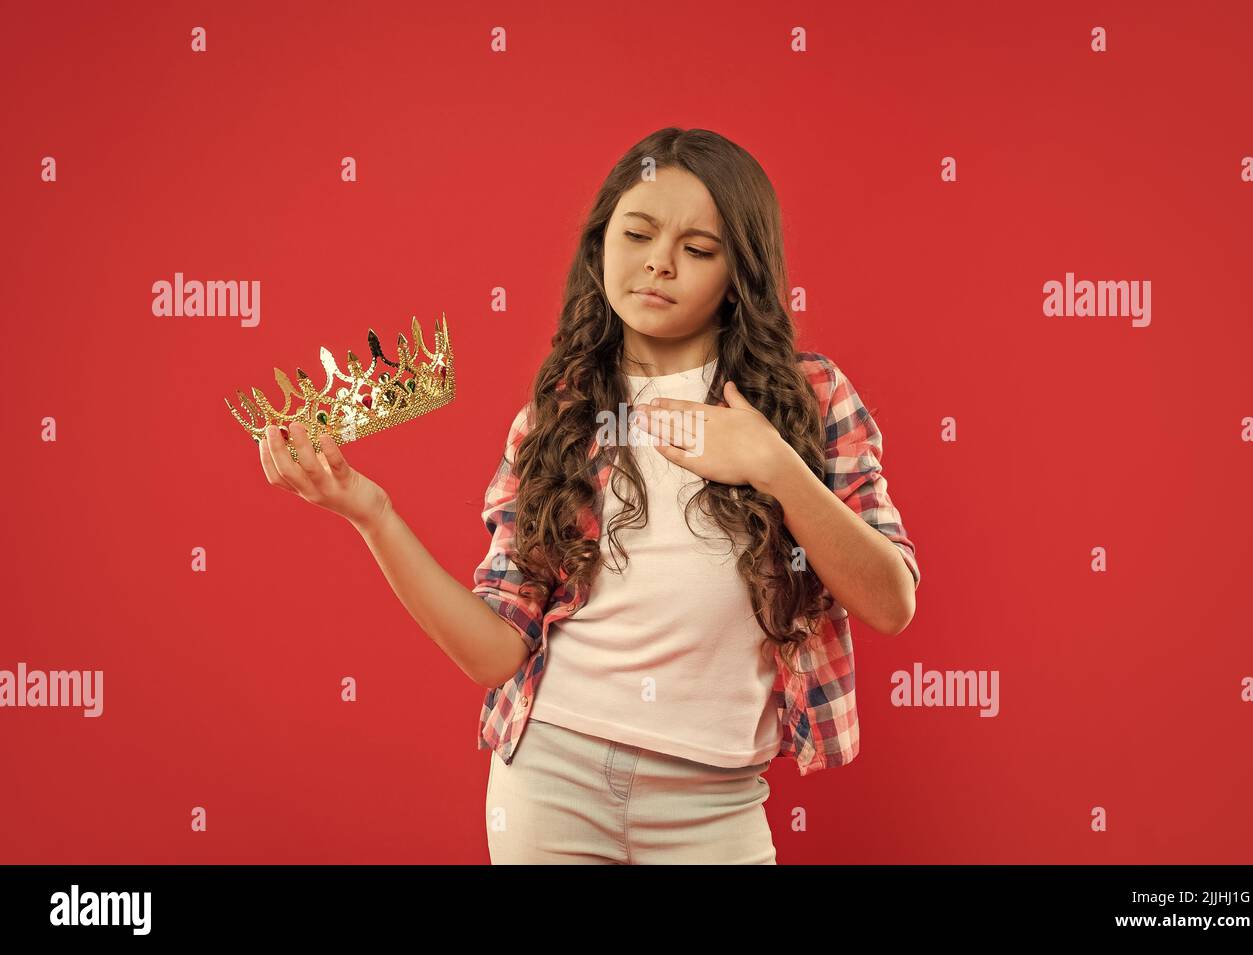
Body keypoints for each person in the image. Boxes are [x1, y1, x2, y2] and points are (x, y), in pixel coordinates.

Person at [256, 127, 920, 865]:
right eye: (637, 234)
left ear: (739, 274)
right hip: (551, 779)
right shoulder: (558, 416)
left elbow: (891, 601)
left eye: (699, 249)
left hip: (717, 802)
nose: (659, 262)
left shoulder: (809, 397)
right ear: (601, 244)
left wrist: (775, 466)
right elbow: (494, 653)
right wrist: (371, 513)